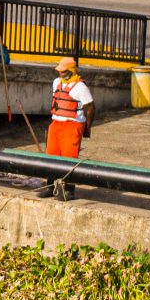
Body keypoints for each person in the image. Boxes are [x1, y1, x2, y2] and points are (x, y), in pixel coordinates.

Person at [46, 57, 95, 200]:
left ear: (71, 70)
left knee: (69, 158)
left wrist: (87, 127)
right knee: (51, 155)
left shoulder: (80, 87)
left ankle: (69, 190)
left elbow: (90, 108)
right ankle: (50, 187)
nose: (60, 73)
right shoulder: (56, 82)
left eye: (63, 70)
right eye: (60, 70)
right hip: (56, 123)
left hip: (72, 125)